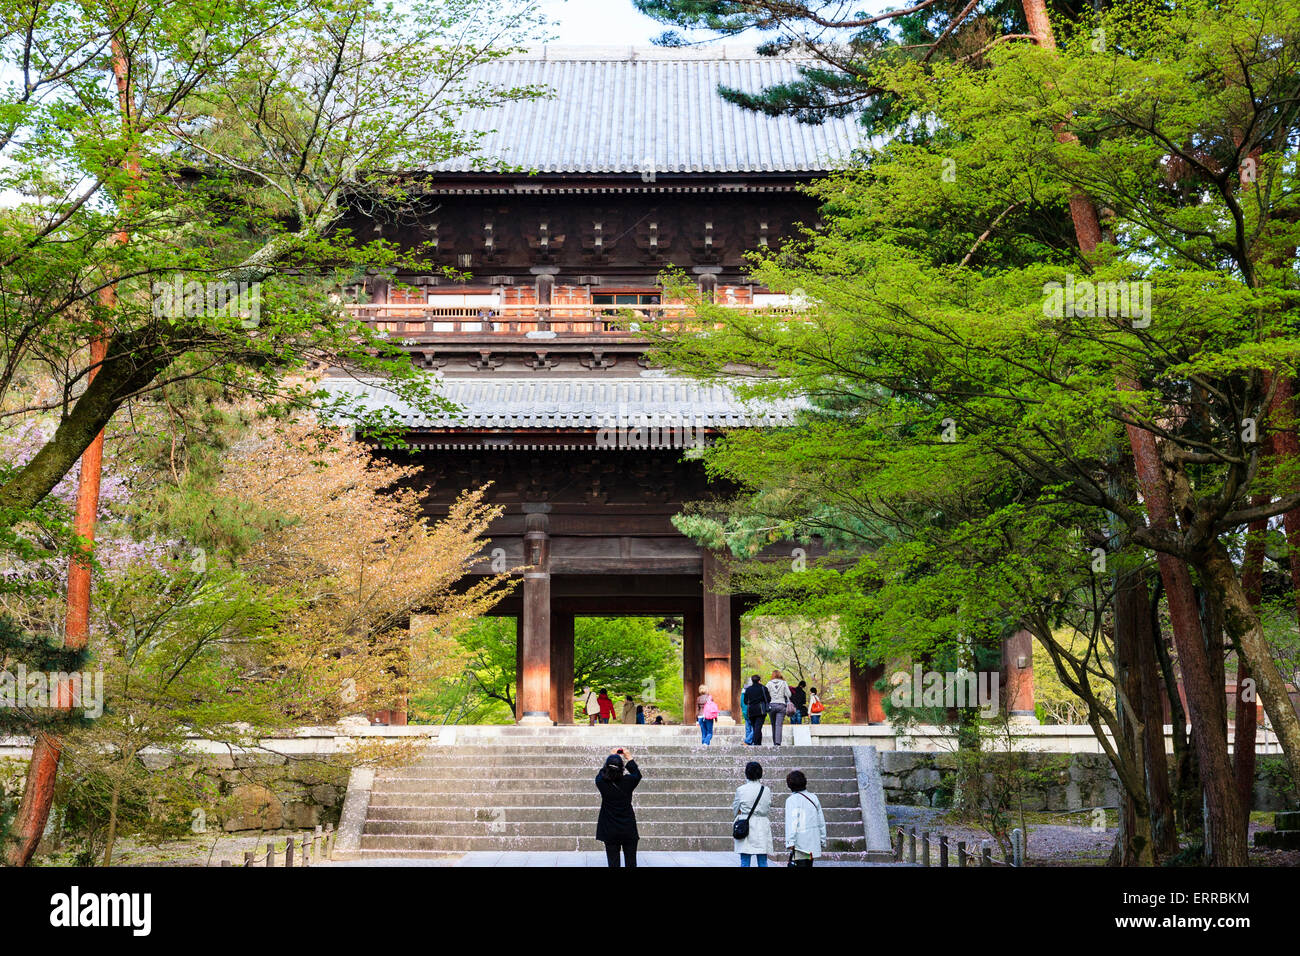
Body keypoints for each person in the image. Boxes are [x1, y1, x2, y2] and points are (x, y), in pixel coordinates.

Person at [595, 749, 641, 867]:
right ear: (622, 768)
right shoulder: (629, 781)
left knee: (613, 863)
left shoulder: (601, 782)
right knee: (631, 862)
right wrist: (629, 757)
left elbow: (601, 773)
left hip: (609, 829)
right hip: (628, 827)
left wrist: (611, 756)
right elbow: (637, 774)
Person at [732, 761, 774, 866]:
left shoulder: (741, 790)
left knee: (745, 861)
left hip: (746, 825)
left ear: (747, 773)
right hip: (762, 825)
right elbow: (767, 808)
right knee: (763, 860)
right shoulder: (766, 790)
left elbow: (735, 810)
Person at [783, 770, 827, 867]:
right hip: (812, 841)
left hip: (800, 843)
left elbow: (792, 823)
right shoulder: (814, 797)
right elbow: (821, 821)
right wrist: (822, 839)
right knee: (808, 864)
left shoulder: (791, 800)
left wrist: (790, 841)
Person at [766, 670, 793, 747]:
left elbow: (765, 693)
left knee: (773, 724)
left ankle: (774, 742)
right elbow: (789, 694)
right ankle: (778, 743)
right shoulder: (784, 683)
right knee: (779, 725)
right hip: (781, 705)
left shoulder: (769, 683)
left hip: (771, 705)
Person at [743, 675, 770, 746]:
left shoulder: (748, 689)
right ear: (759, 680)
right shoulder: (763, 688)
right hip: (761, 710)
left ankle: (758, 743)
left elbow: (745, 701)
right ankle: (756, 743)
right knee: (758, 727)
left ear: (752, 681)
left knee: (755, 727)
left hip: (751, 711)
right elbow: (768, 699)